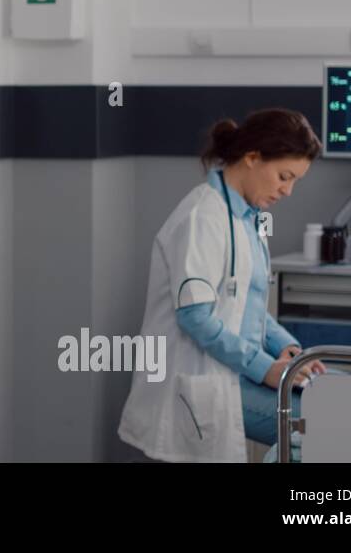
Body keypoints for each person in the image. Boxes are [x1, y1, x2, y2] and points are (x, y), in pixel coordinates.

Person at [118, 108, 326, 462]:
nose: (288, 191)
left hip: (239, 371)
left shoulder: (249, 218)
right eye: (284, 176)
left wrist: (287, 349)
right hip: (206, 381)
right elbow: (195, 317)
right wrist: (266, 368)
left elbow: (247, 304)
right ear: (252, 158)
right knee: (325, 421)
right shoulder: (203, 217)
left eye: (295, 181)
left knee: (334, 392)